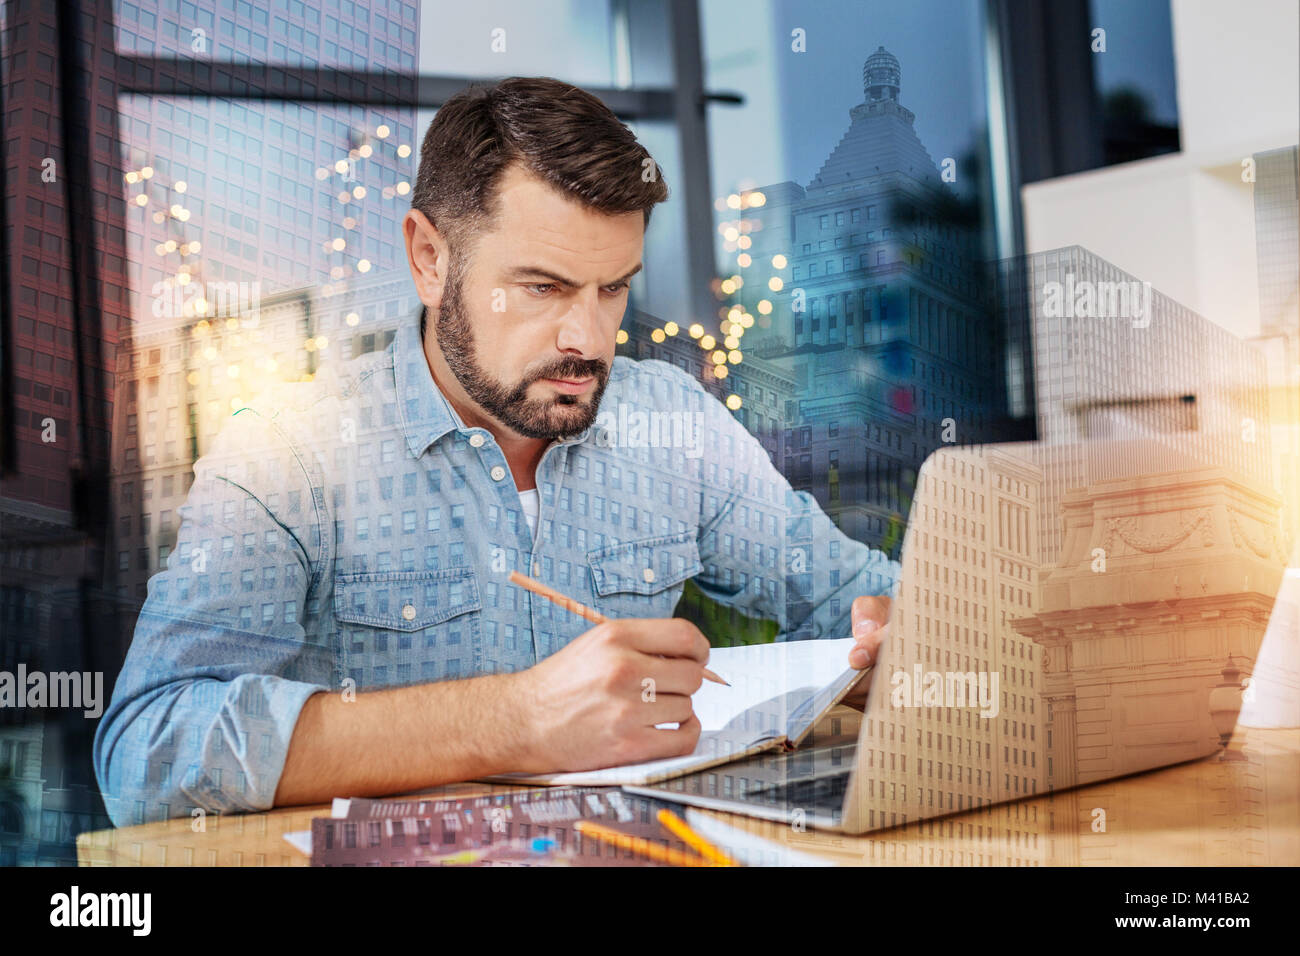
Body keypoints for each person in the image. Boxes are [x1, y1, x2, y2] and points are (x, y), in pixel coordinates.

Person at [93, 77, 899, 827]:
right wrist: (515, 721)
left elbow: (858, 601)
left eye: (613, 287)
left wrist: (896, 639)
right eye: (543, 288)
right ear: (430, 259)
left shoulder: (672, 424)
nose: (588, 339)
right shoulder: (290, 451)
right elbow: (146, 753)